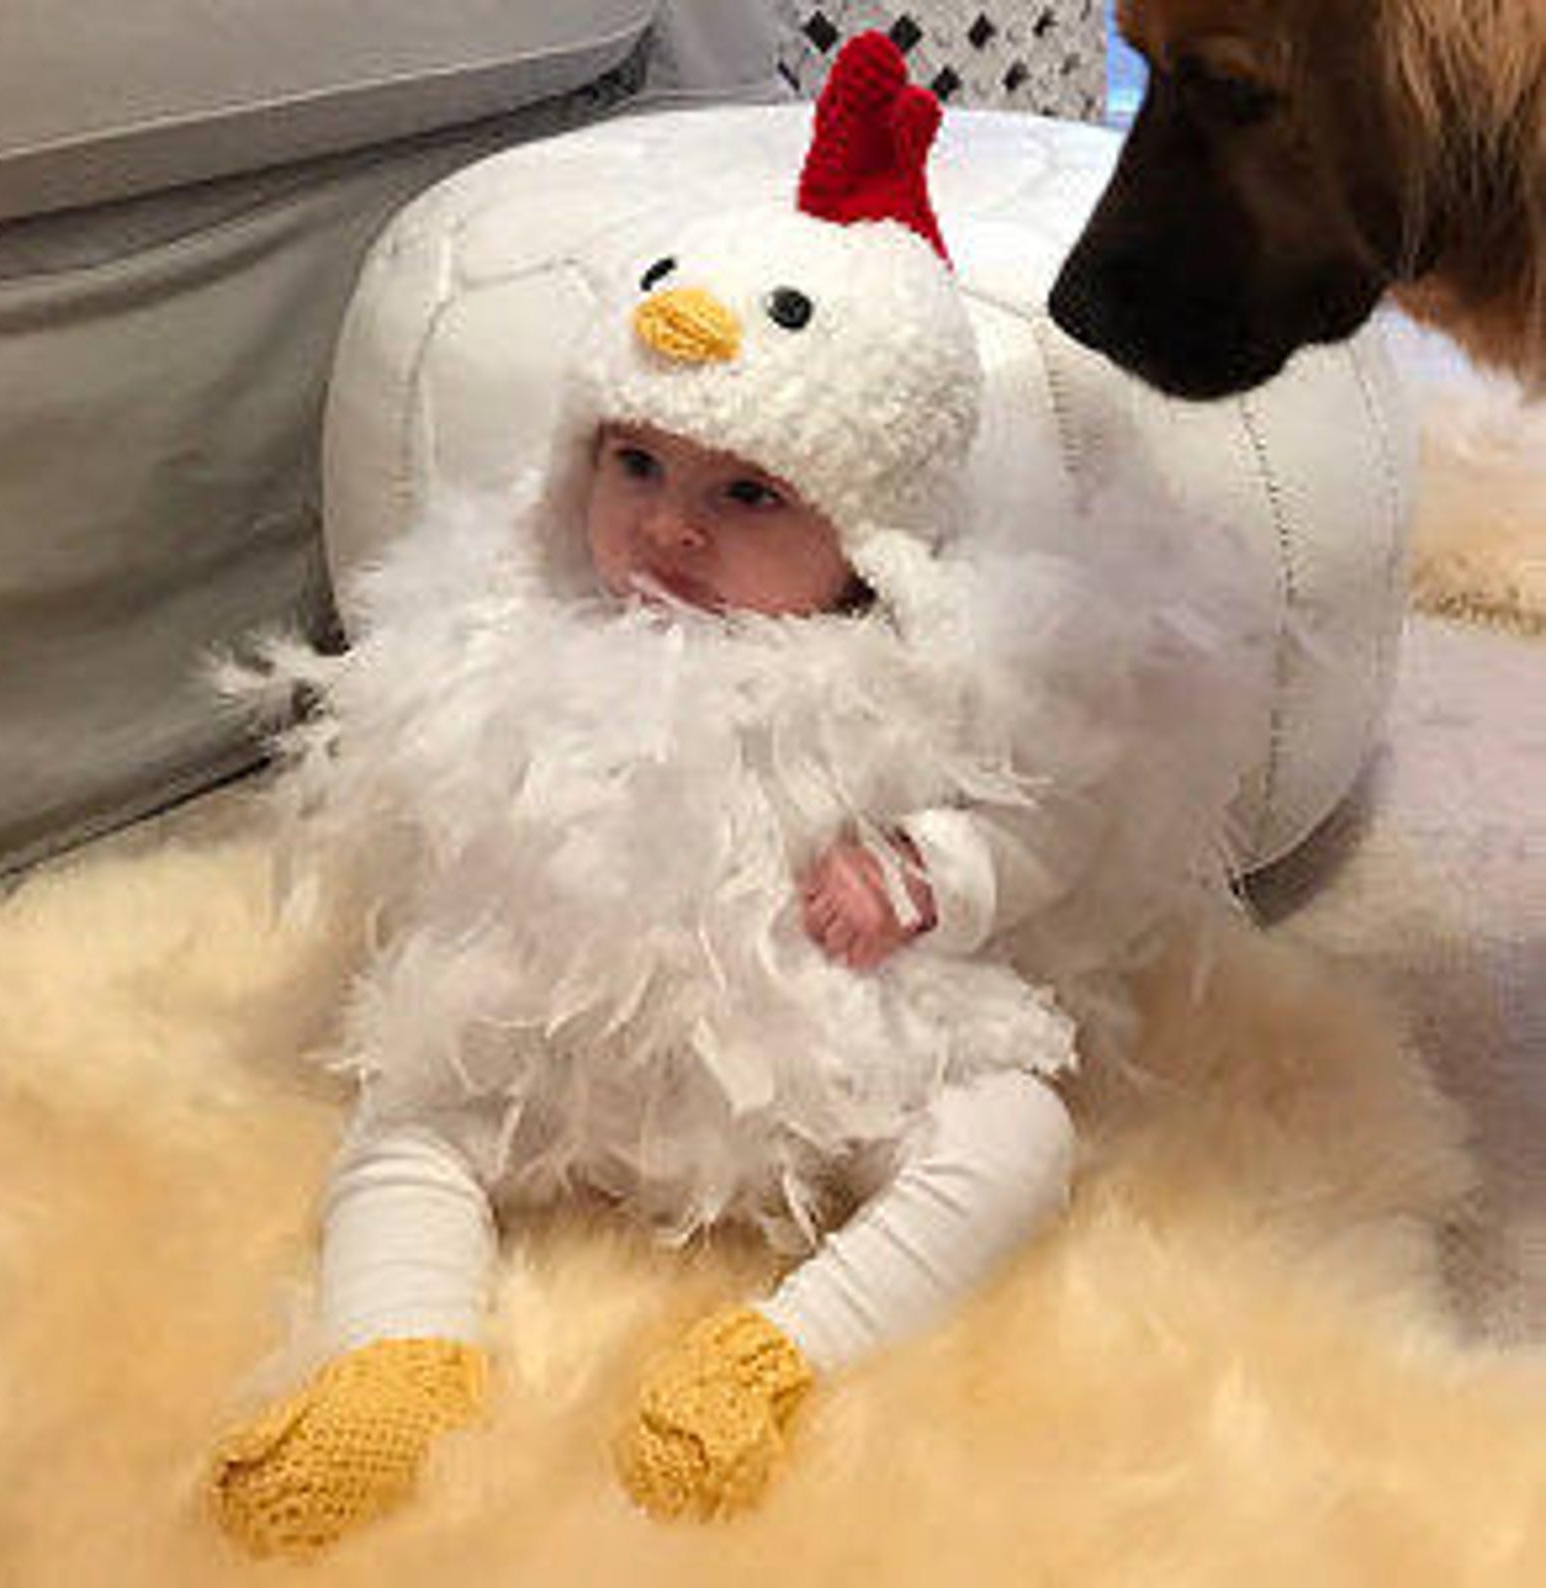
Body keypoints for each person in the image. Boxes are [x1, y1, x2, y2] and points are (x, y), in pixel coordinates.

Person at [207, 32, 1249, 1558]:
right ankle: (400, 1350)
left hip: (819, 1037)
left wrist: (929, 871)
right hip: (561, 1028)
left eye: (747, 495)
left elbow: (1051, 812)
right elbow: (438, 786)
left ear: (871, 540)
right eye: (634, 464)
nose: (669, 532)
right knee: (405, 1120)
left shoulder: (929, 666)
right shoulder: (531, 621)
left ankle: (792, 1349)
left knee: (1014, 1133)